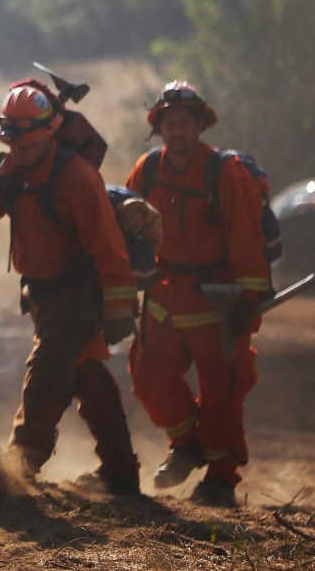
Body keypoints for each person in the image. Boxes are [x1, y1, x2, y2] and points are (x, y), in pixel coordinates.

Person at [0, 83, 141, 496]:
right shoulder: (10, 172)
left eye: (29, 142)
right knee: (86, 374)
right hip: (42, 296)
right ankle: (121, 473)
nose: (19, 150)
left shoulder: (77, 179)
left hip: (79, 296)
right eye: (13, 141)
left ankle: (20, 465)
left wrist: (119, 307)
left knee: (47, 372)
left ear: (49, 134)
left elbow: (109, 248)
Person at [125, 81, 269, 506]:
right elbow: (127, 228)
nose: (177, 132)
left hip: (216, 300)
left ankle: (221, 480)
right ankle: (187, 444)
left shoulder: (226, 173)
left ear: (200, 126)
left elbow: (246, 239)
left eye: (186, 124)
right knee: (148, 378)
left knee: (223, 390)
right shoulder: (147, 170)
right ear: (159, 128)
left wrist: (248, 303)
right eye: (170, 124)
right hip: (164, 294)